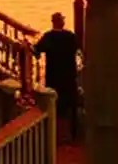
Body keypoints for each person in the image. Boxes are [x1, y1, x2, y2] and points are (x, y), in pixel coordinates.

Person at [34, 12, 80, 141]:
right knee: (71, 104)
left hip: (54, 76)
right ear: (63, 22)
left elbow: (37, 49)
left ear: (53, 22)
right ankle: (73, 133)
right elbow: (79, 48)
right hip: (69, 75)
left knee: (53, 103)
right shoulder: (70, 37)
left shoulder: (48, 37)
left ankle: (52, 135)